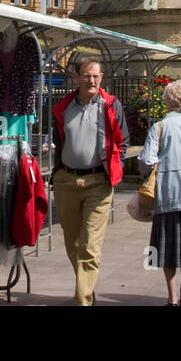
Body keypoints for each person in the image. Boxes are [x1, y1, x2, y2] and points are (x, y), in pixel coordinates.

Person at [51, 55, 132, 306]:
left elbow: (123, 141)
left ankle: (83, 300)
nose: (92, 80)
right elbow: (59, 140)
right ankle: (87, 285)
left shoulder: (110, 105)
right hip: (67, 180)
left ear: (102, 78)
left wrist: (113, 167)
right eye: (87, 75)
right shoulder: (62, 107)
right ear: (76, 77)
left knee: (90, 245)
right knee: (72, 242)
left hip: (99, 181)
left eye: (96, 76)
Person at [138, 80, 181, 306]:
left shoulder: (159, 127)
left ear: (167, 101)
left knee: (167, 248)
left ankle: (172, 296)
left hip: (168, 195)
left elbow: (148, 161)